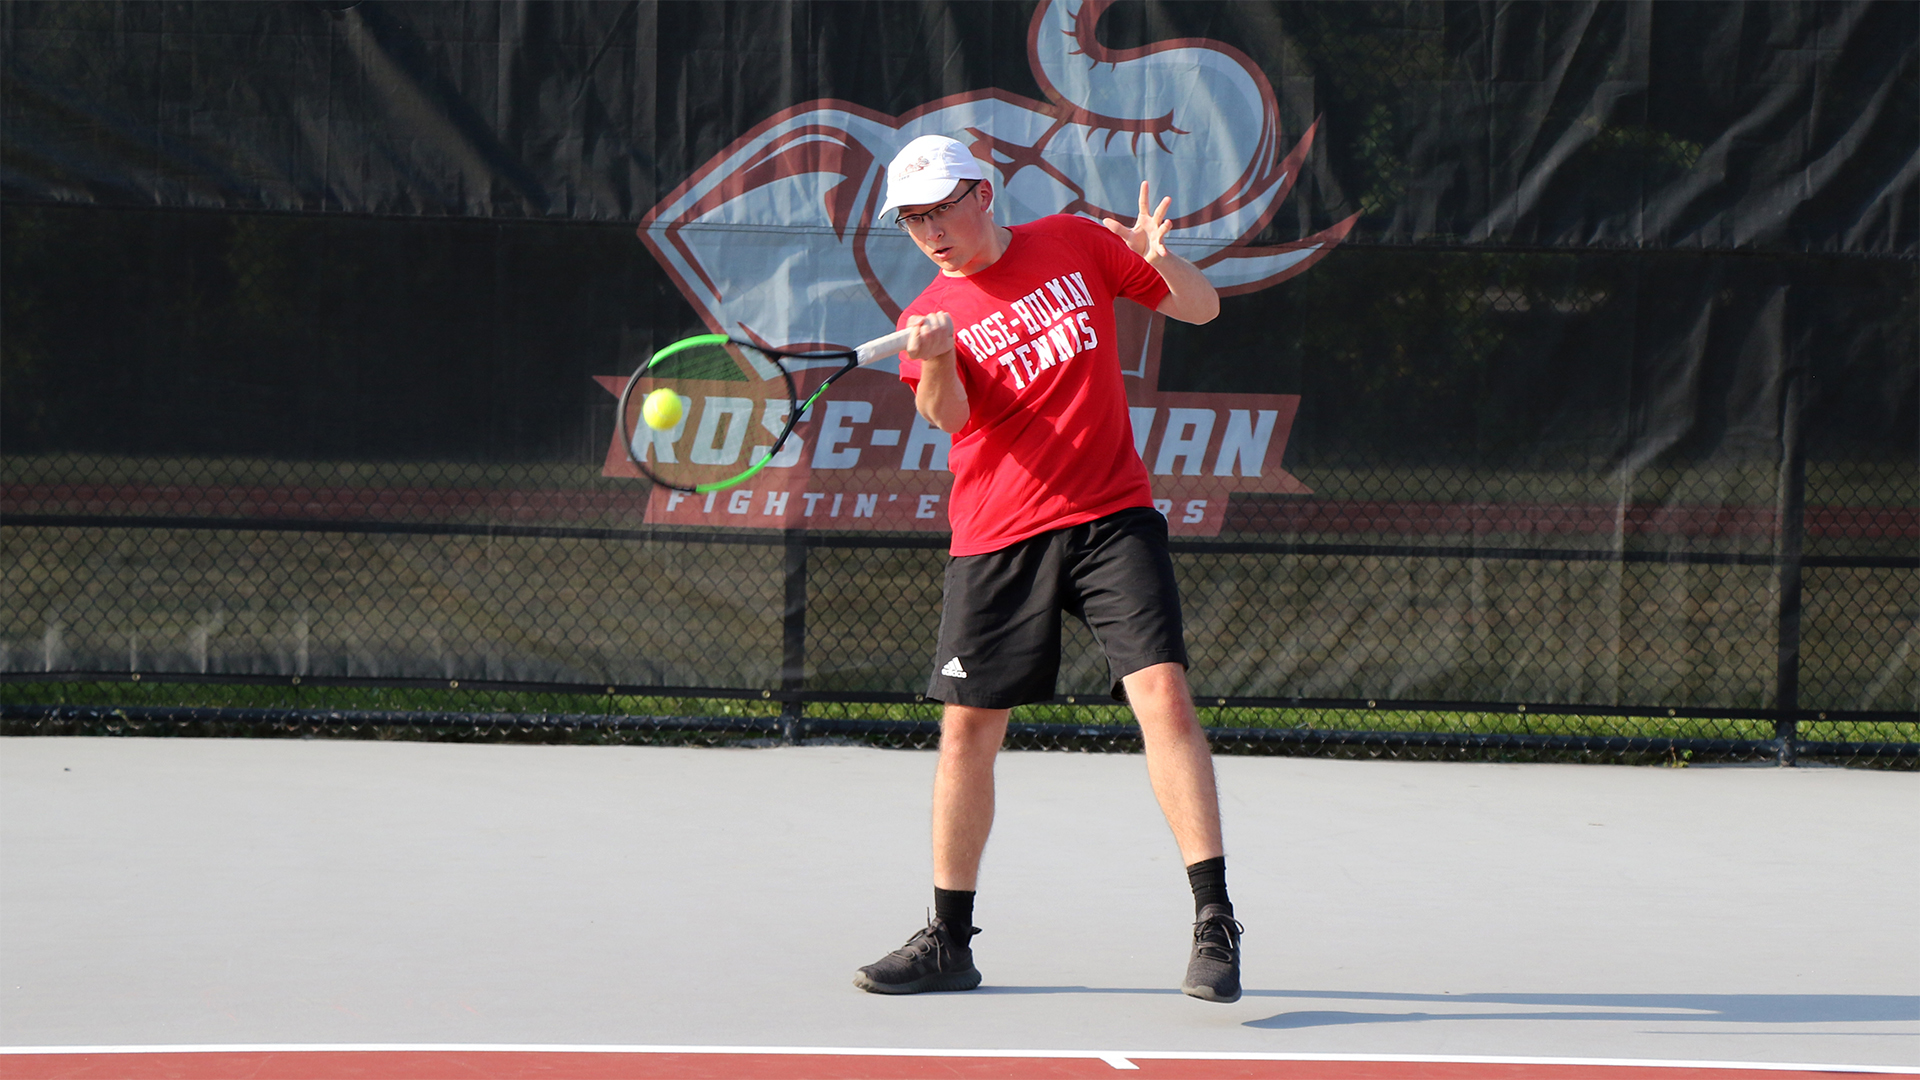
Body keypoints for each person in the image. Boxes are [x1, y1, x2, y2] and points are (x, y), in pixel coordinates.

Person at [853, 134, 1241, 1003]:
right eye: (912, 219)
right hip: (998, 536)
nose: (930, 232)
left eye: (941, 209)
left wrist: (1158, 259)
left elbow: (1202, 308)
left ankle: (1214, 922)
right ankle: (949, 942)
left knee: (1164, 695)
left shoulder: (1073, 241)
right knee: (967, 732)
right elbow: (949, 418)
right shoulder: (928, 312)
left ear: (982, 195)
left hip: (1112, 516)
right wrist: (938, 355)